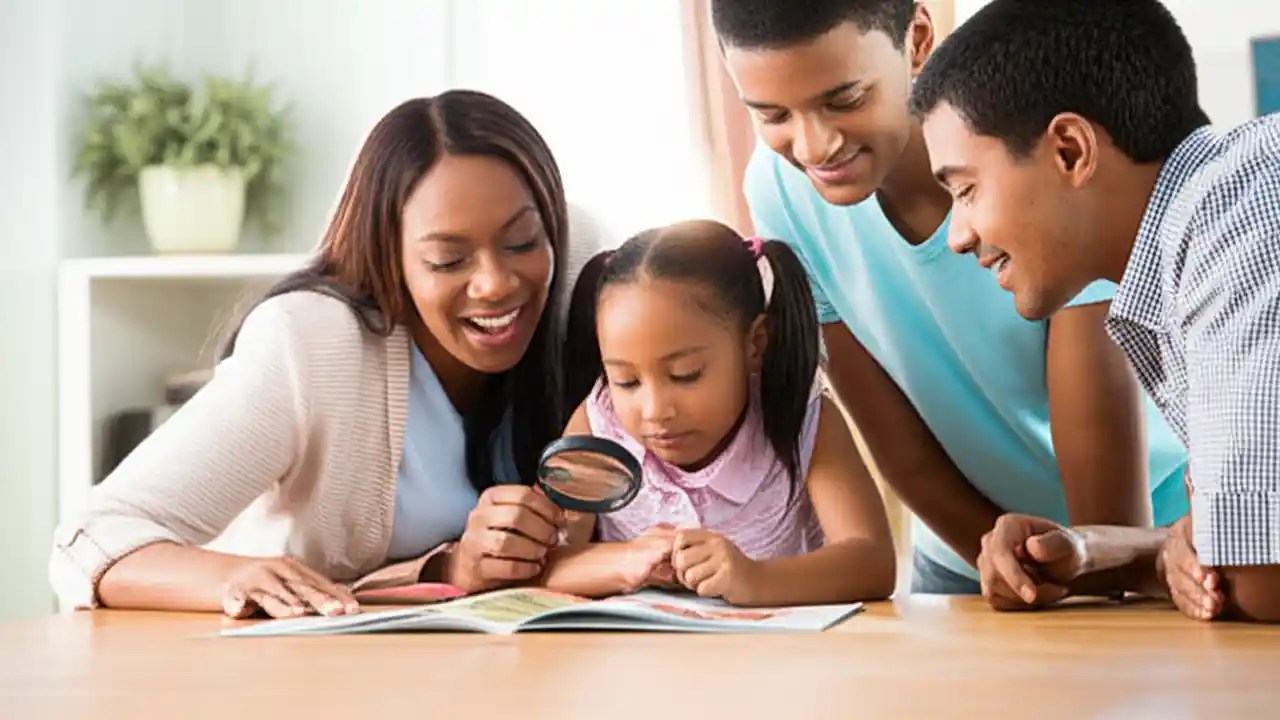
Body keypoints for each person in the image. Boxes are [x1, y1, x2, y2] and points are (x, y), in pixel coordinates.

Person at [708, 0, 1189, 601]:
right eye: (773, 114)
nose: (814, 145)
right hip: (969, 550)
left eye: (844, 100)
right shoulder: (779, 193)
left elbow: (1107, 508)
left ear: (915, 39)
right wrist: (1000, 562)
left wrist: (1059, 569)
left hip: (1142, 537)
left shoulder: (1034, 167)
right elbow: (901, 452)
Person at [49, 90, 576, 619]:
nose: (495, 283)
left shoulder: (579, 298)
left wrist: (456, 568)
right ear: (389, 257)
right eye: (448, 259)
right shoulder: (313, 345)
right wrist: (233, 574)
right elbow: (90, 539)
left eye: (522, 243)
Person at [911, 0, 1280, 622]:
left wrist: (1177, 553)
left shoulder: (1235, 231)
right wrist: (1096, 552)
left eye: (968, 189)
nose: (958, 236)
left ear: (1071, 150)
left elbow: (1262, 579)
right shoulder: (1223, 201)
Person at [540, 220, 896, 606]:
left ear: (755, 344)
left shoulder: (801, 418)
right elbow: (545, 563)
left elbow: (872, 561)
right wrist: (624, 560)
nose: (656, 410)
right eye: (626, 381)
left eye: (686, 375)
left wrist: (755, 579)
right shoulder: (599, 425)